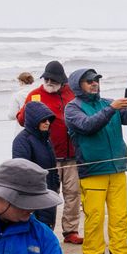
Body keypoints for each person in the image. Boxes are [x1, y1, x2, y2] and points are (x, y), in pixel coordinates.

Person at [64, 68, 127, 254]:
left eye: (96, 80)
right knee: (95, 217)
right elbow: (88, 126)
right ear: (77, 85)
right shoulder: (72, 108)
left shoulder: (107, 103)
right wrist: (112, 108)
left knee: (120, 216)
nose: (94, 83)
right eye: (89, 81)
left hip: (117, 168)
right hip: (92, 170)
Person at [16, 61, 83, 243]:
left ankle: (70, 231)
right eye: (46, 78)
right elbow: (22, 119)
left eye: (53, 79)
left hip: (71, 154)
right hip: (46, 156)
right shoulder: (35, 95)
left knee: (73, 193)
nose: (49, 81)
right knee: (48, 194)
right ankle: (45, 231)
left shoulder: (72, 93)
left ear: (62, 80)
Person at [10, 101, 61, 229]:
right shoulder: (22, 140)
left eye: (49, 120)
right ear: (34, 120)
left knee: (48, 225)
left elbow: (53, 166)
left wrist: (56, 184)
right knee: (36, 227)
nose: (47, 123)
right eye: (43, 120)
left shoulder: (46, 138)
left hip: (49, 190)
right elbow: (20, 170)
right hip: (33, 194)